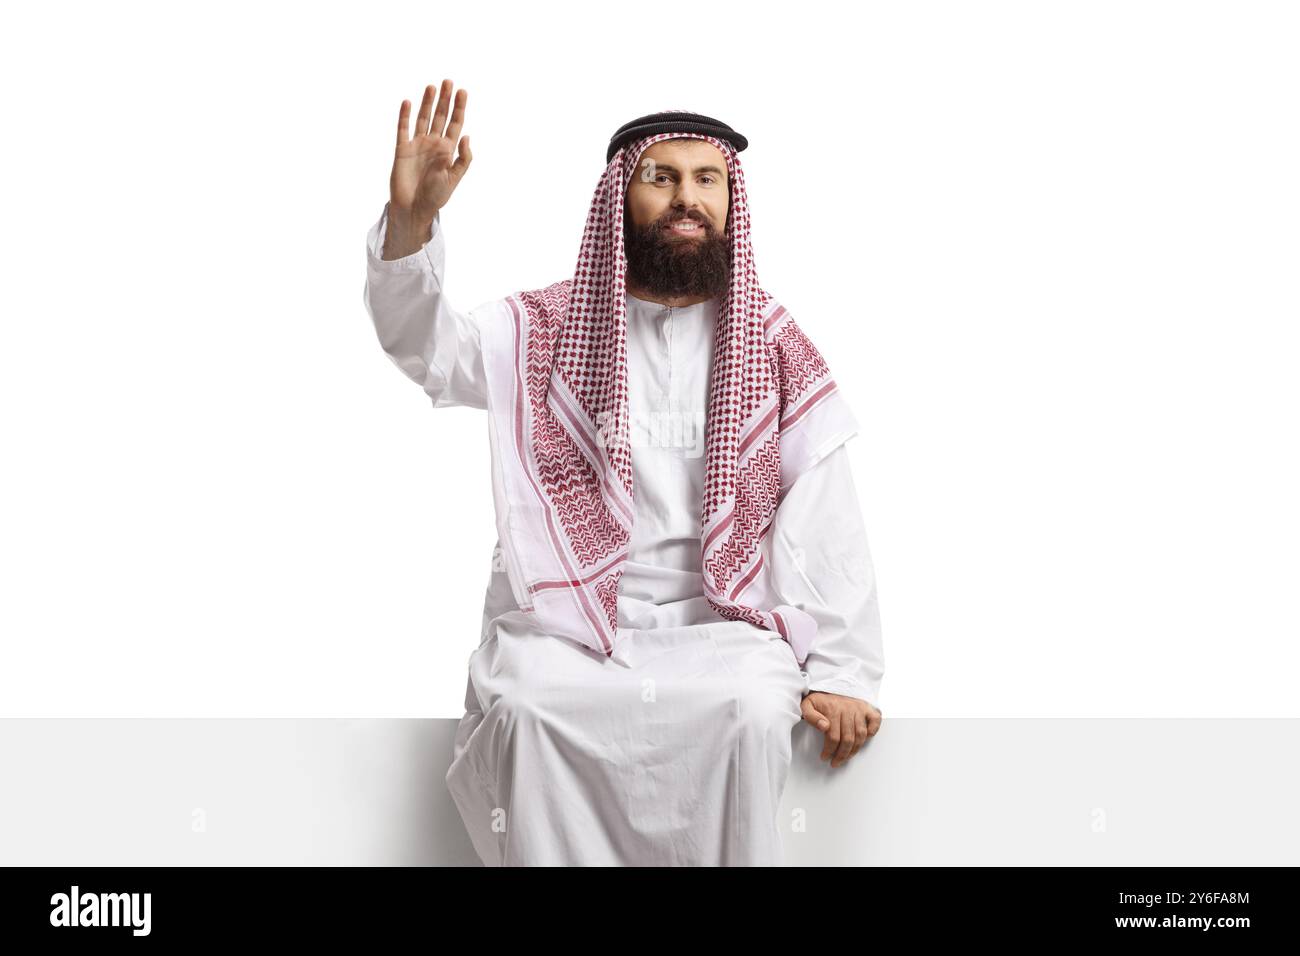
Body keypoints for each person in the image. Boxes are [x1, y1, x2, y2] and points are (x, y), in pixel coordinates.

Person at [362, 80, 885, 866]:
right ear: (620, 197)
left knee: (746, 708)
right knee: (530, 710)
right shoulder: (545, 329)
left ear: (730, 202)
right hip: (569, 632)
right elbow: (428, 352)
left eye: (706, 180)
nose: (686, 199)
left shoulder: (771, 344)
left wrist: (844, 670)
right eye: (662, 178)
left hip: (722, 628)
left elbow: (825, 518)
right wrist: (411, 227)